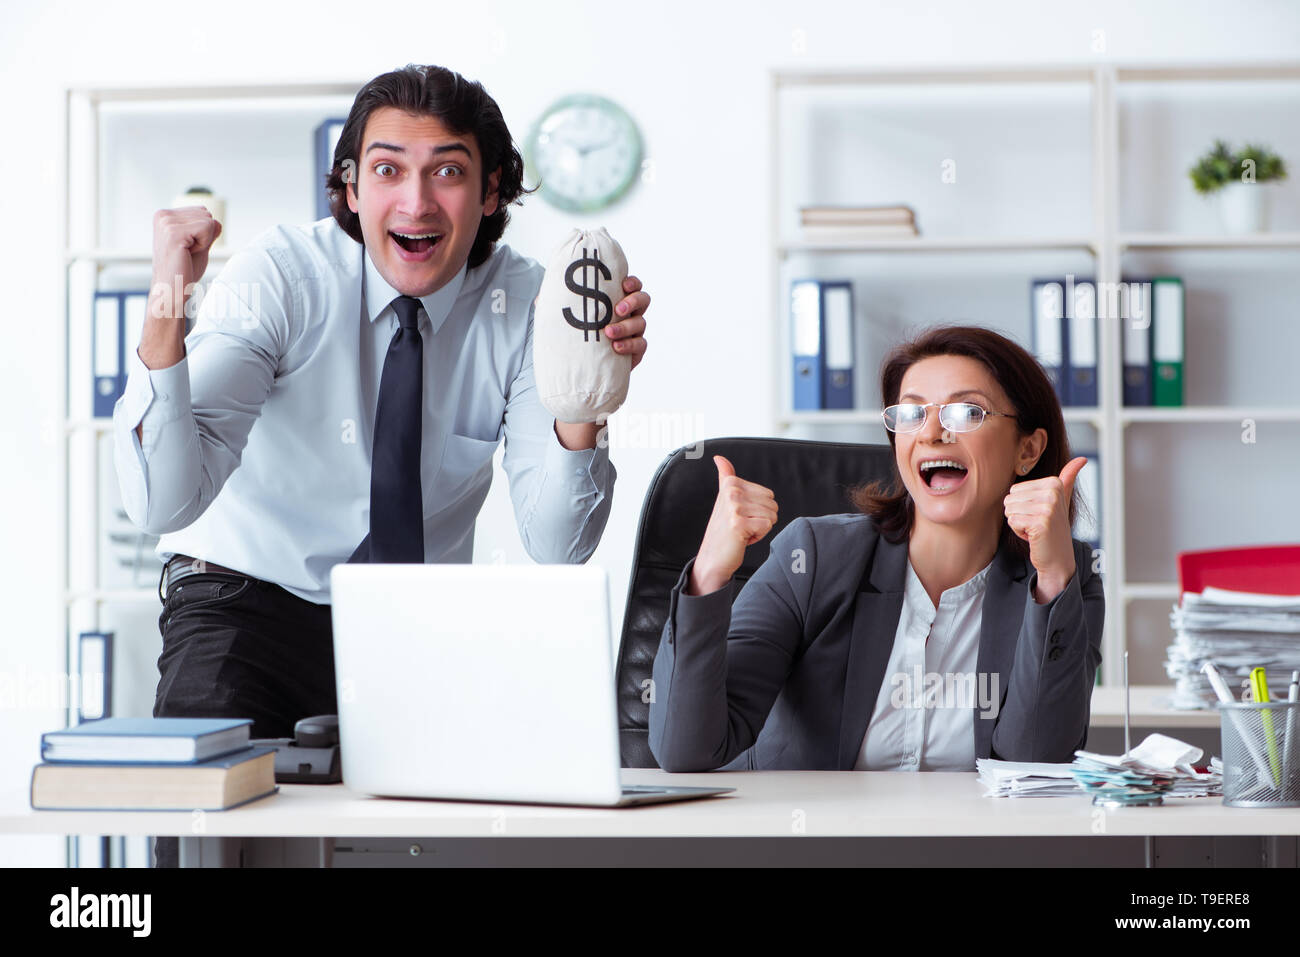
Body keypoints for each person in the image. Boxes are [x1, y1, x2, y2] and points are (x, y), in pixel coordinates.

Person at [113, 64, 650, 864]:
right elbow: (162, 501)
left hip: (410, 624)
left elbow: (557, 544)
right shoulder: (285, 276)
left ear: (493, 191)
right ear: (353, 188)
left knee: (409, 843)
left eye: (449, 172)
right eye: (389, 169)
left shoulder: (529, 306)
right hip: (240, 604)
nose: (417, 201)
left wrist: (583, 392)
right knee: (206, 836)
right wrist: (168, 306)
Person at [649, 325, 1103, 772]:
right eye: (912, 414)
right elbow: (687, 750)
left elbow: (1037, 766)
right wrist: (708, 573)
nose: (931, 434)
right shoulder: (813, 558)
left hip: (966, 845)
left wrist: (1052, 586)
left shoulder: (1069, 577)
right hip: (807, 840)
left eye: (966, 412)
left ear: (1028, 449)